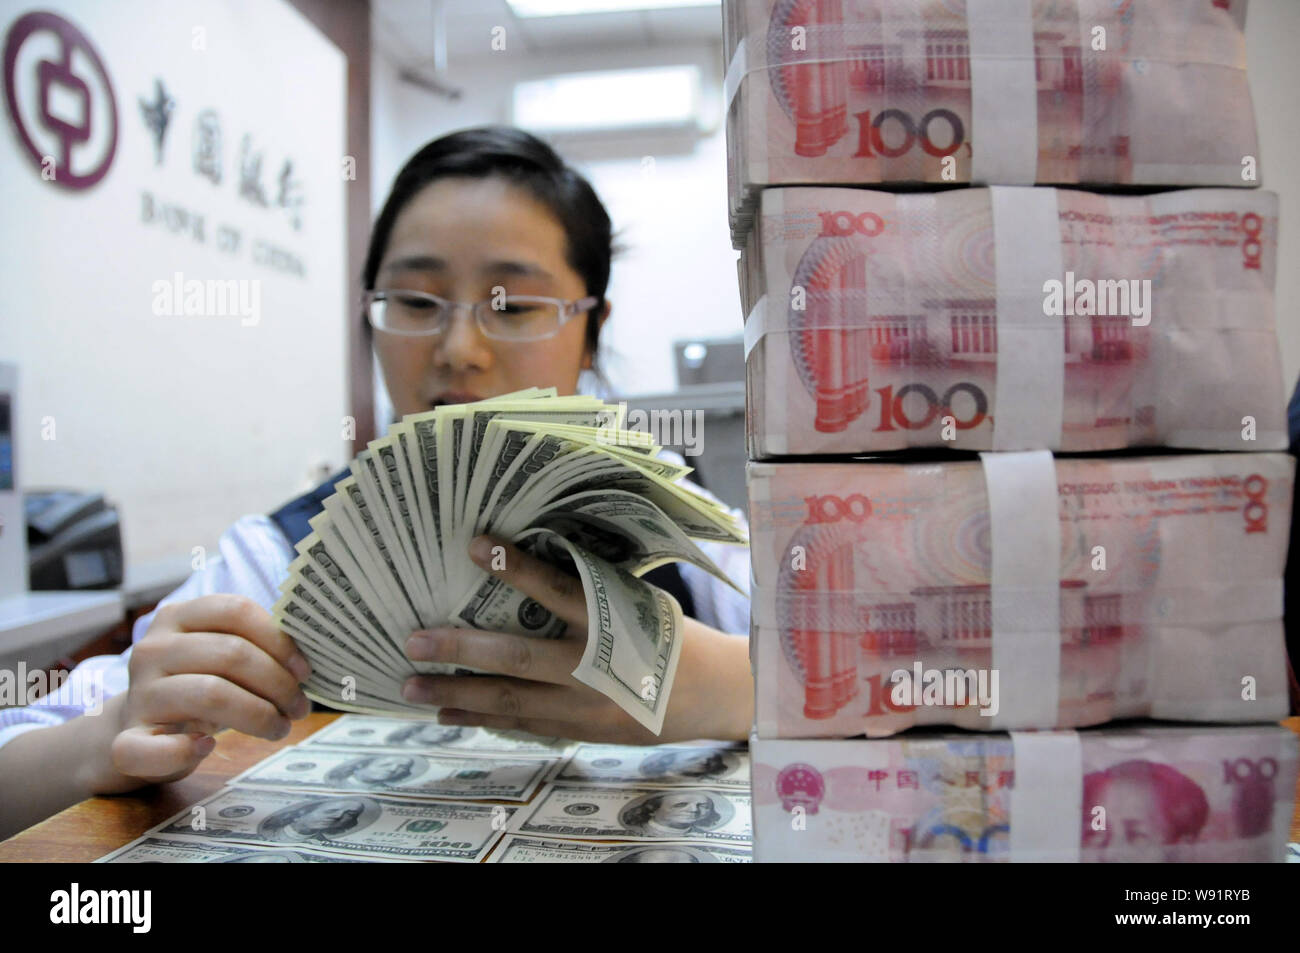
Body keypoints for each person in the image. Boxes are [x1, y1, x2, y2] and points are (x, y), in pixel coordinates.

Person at [0, 126, 753, 840]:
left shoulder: (689, 543)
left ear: (591, 329)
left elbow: (865, 685)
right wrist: (105, 735)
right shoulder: (274, 557)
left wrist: (727, 686)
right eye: (416, 303)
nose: (459, 349)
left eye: (513, 306)